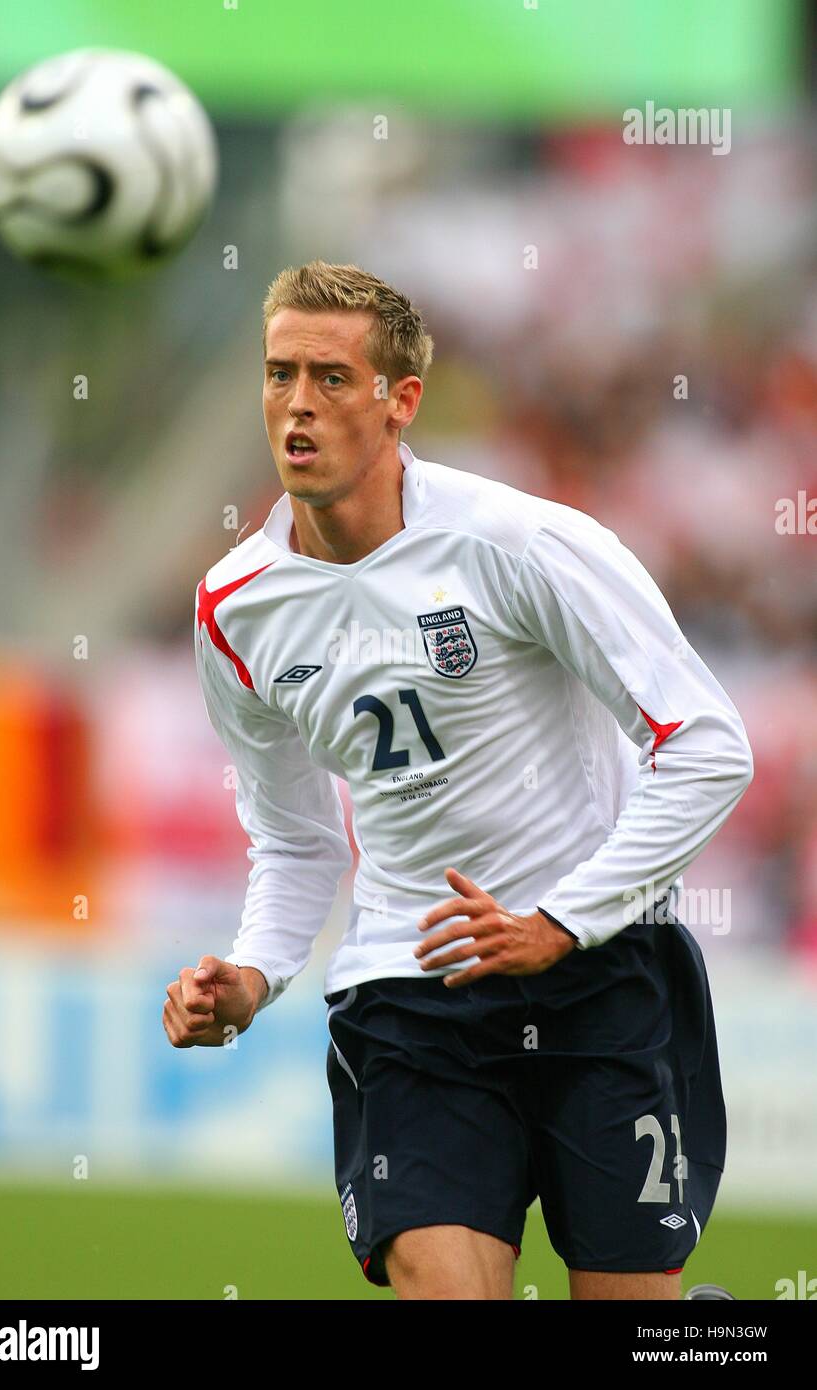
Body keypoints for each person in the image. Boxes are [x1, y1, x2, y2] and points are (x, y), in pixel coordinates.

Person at [163, 260, 753, 1301]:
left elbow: (704, 745)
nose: (297, 404)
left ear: (402, 402)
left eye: (331, 379)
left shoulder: (522, 543)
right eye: (278, 373)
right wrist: (252, 973)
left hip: (600, 980)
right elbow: (296, 839)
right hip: (409, 996)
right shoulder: (235, 608)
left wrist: (560, 918)